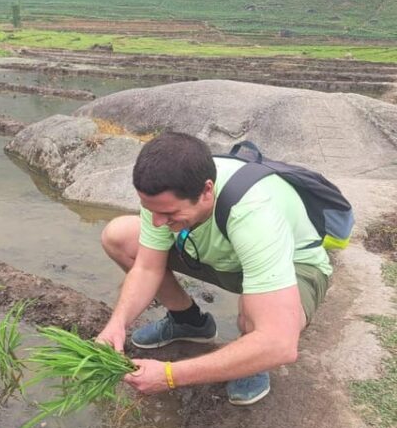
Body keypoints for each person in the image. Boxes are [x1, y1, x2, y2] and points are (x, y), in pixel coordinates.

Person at [96, 132, 331, 405]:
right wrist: (117, 324)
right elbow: (148, 269)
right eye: (151, 210)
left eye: (169, 214)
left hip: (291, 264)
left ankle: (251, 363)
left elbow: (280, 344)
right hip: (224, 256)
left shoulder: (253, 213)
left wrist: (170, 375)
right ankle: (189, 322)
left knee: (256, 323)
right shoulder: (166, 192)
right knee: (119, 236)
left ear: (207, 190)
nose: (157, 222)